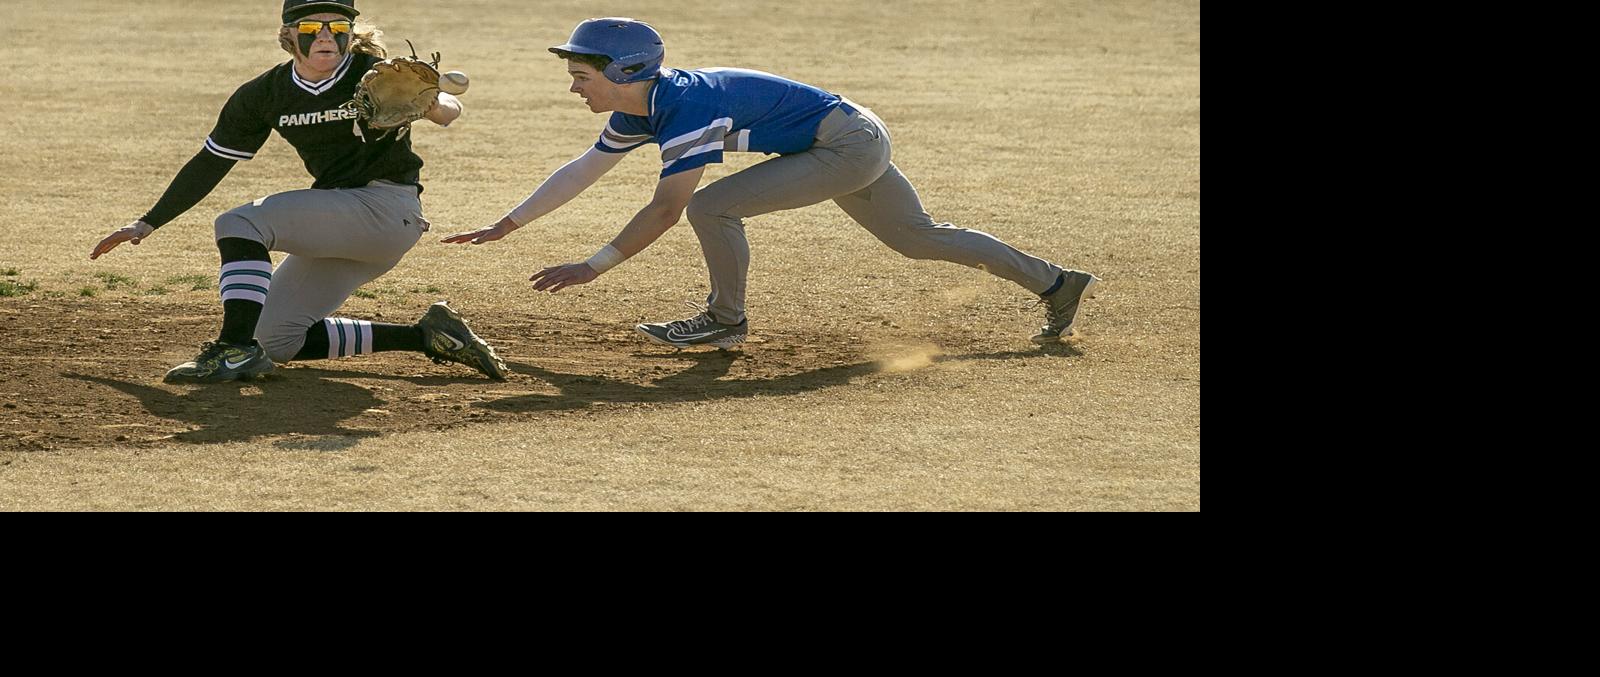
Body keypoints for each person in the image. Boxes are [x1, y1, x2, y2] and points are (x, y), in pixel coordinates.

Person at [444, 17, 1097, 349]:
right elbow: (583, 170)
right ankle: (1057, 283)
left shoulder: (685, 110)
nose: (573, 87)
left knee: (709, 207)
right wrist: (509, 224)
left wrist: (594, 266)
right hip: (847, 135)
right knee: (918, 238)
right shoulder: (640, 108)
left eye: (581, 76)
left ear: (625, 71)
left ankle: (724, 321)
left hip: (845, 144)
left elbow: (666, 209)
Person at [91, 0, 507, 383]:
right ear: (288, 35)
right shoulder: (266, 93)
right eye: (311, 27)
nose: (325, 35)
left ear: (349, 34)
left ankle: (233, 350)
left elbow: (449, 112)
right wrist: (148, 222)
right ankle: (428, 336)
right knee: (274, 339)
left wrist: (434, 105)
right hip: (343, 222)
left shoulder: (372, 72)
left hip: (386, 209)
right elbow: (212, 161)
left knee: (240, 222)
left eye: (337, 27)